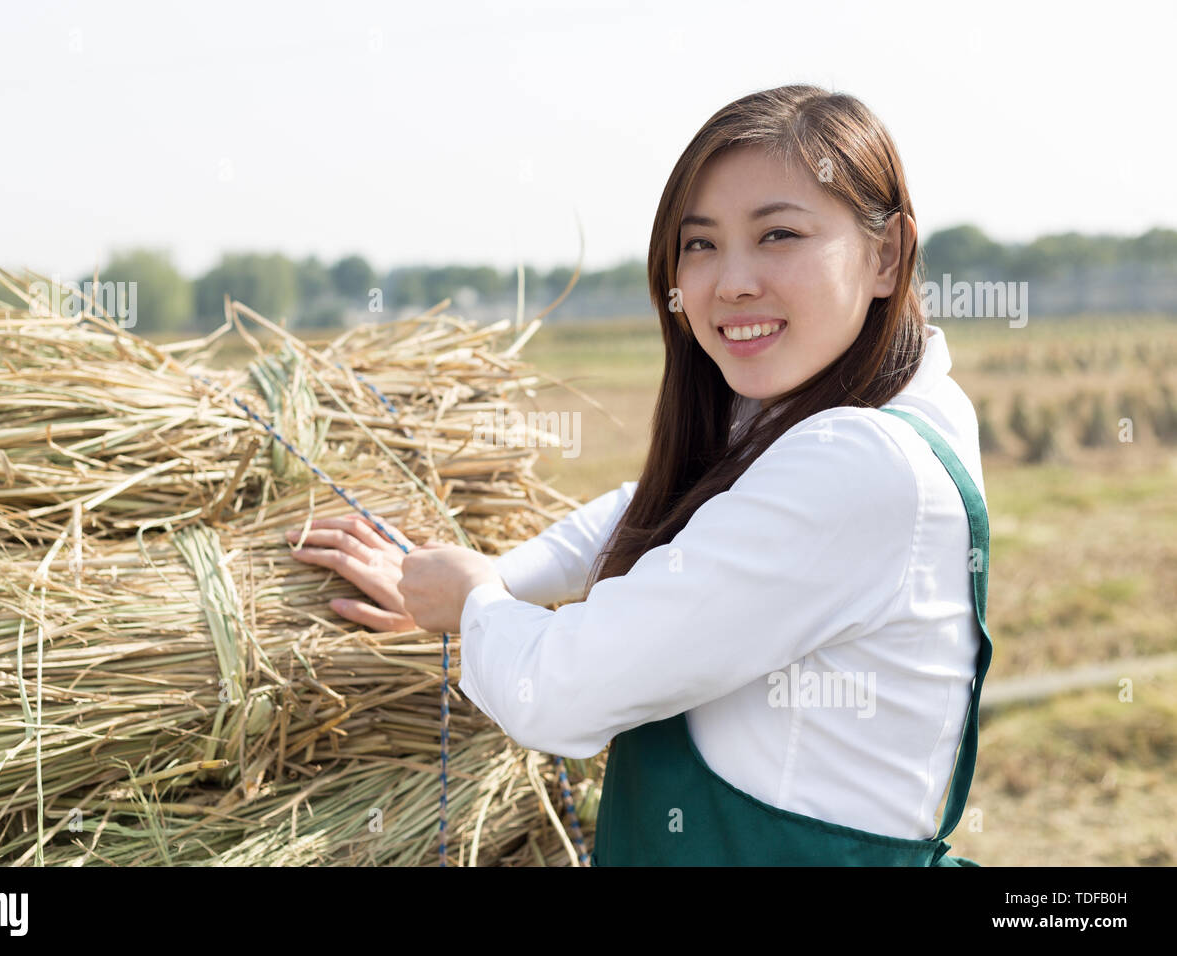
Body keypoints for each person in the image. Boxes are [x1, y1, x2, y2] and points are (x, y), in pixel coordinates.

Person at [285, 84, 992, 866]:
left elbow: (562, 692)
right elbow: (671, 513)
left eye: (779, 235)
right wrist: (505, 574)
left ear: (886, 254)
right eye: (700, 245)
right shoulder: (880, 411)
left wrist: (472, 605)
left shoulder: (861, 467)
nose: (732, 282)